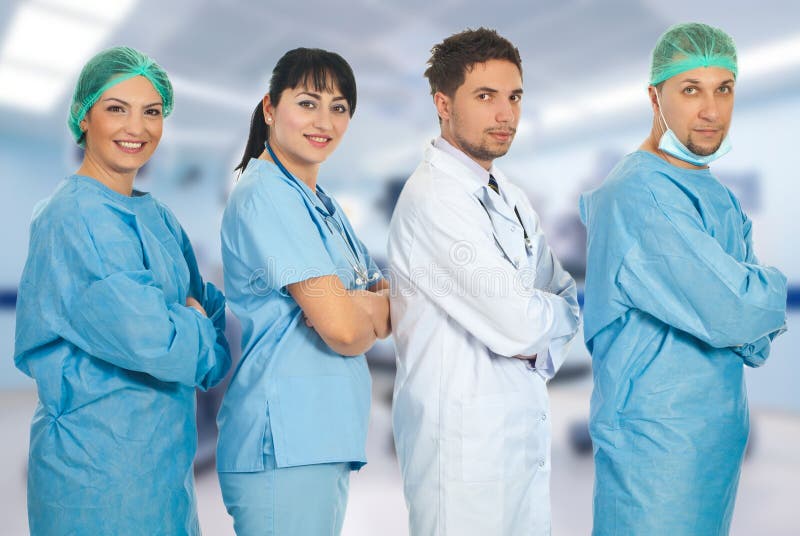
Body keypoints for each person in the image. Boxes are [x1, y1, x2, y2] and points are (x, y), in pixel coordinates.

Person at [580, 22, 788, 535]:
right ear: (655, 96)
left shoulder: (713, 191)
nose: (711, 110)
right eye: (691, 89)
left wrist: (746, 304)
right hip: (657, 445)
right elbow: (737, 309)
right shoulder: (638, 194)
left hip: (712, 437)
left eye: (724, 89)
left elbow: (747, 330)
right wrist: (765, 291)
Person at [14, 46, 231, 535]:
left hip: (162, 471)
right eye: (116, 108)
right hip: (95, 476)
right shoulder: (72, 217)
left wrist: (192, 323)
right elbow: (156, 338)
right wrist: (192, 323)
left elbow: (208, 314)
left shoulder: (155, 215)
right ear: (82, 117)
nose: (137, 127)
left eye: (151, 111)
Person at [388, 28, 581, 535]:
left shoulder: (511, 195)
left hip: (515, 442)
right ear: (442, 104)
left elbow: (563, 295)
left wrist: (541, 319)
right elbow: (520, 324)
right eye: (485, 96)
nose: (506, 114)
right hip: (461, 457)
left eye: (514, 97)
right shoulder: (434, 198)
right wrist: (538, 322)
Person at [217, 48, 391, 535]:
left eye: (339, 107)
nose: (325, 120)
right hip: (283, 443)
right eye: (308, 102)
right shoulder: (266, 194)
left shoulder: (322, 204)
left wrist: (362, 306)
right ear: (271, 108)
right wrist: (356, 310)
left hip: (319, 438)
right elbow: (343, 330)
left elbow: (389, 297)